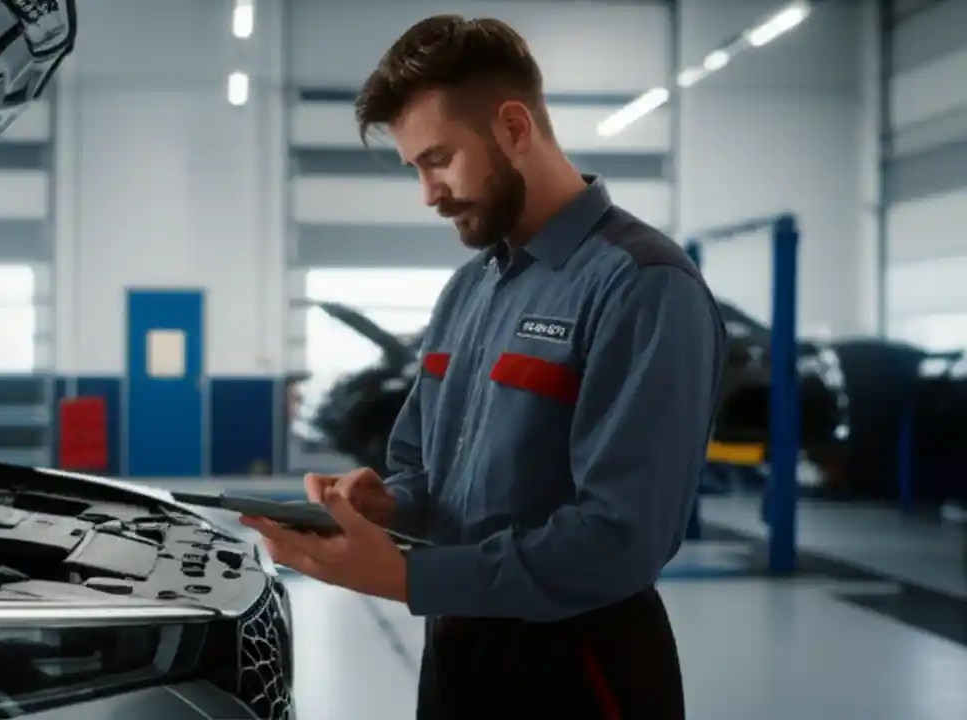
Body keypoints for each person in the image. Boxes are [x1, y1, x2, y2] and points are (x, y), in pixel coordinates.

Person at [240, 14, 725, 719]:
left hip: (579, 668)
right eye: (417, 169)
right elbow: (425, 470)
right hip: (460, 654)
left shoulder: (643, 285)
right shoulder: (470, 291)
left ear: (514, 128)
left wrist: (410, 575)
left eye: (439, 159)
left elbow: (620, 540)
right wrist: (389, 504)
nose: (428, 194)